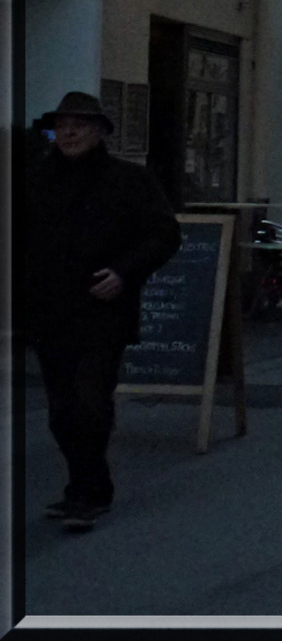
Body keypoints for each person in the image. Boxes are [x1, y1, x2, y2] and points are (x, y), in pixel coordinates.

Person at [25, 91, 181, 530]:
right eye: (62, 126)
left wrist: (124, 272)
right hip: (48, 311)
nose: (69, 132)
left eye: (79, 125)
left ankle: (89, 493)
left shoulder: (128, 180)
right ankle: (83, 486)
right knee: (60, 411)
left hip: (101, 310)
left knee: (90, 402)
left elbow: (163, 235)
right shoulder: (35, 179)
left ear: (98, 132)